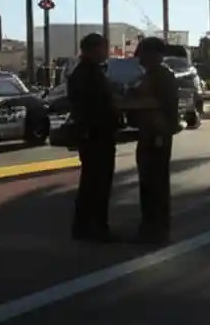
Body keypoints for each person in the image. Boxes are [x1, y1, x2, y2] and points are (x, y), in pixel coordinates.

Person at [66, 32, 119, 242]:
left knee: (91, 181)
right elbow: (97, 104)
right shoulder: (89, 74)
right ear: (93, 49)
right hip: (97, 134)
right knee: (98, 182)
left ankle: (85, 226)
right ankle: (96, 227)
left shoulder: (84, 72)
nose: (106, 52)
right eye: (103, 48)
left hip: (92, 133)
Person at [130, 37, 179, 244]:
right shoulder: (152, 75)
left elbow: (155, 103)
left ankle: (154, 229)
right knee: (150, 182)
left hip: (156, 135)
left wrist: (130, 102)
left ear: (154, 55)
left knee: (154, 183)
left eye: (142, 53)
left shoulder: (161, 76)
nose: (139, 58)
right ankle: (152, 227)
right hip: (151, 134)